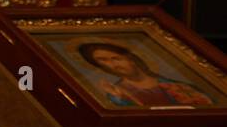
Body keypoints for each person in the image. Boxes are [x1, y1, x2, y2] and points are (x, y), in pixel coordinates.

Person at [77, 42, 215, 107]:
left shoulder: (172, 84)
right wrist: (121, 99)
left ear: (132, 59)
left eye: (116, 58)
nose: (113, 65)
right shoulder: (117, 94)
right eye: (103, 61)